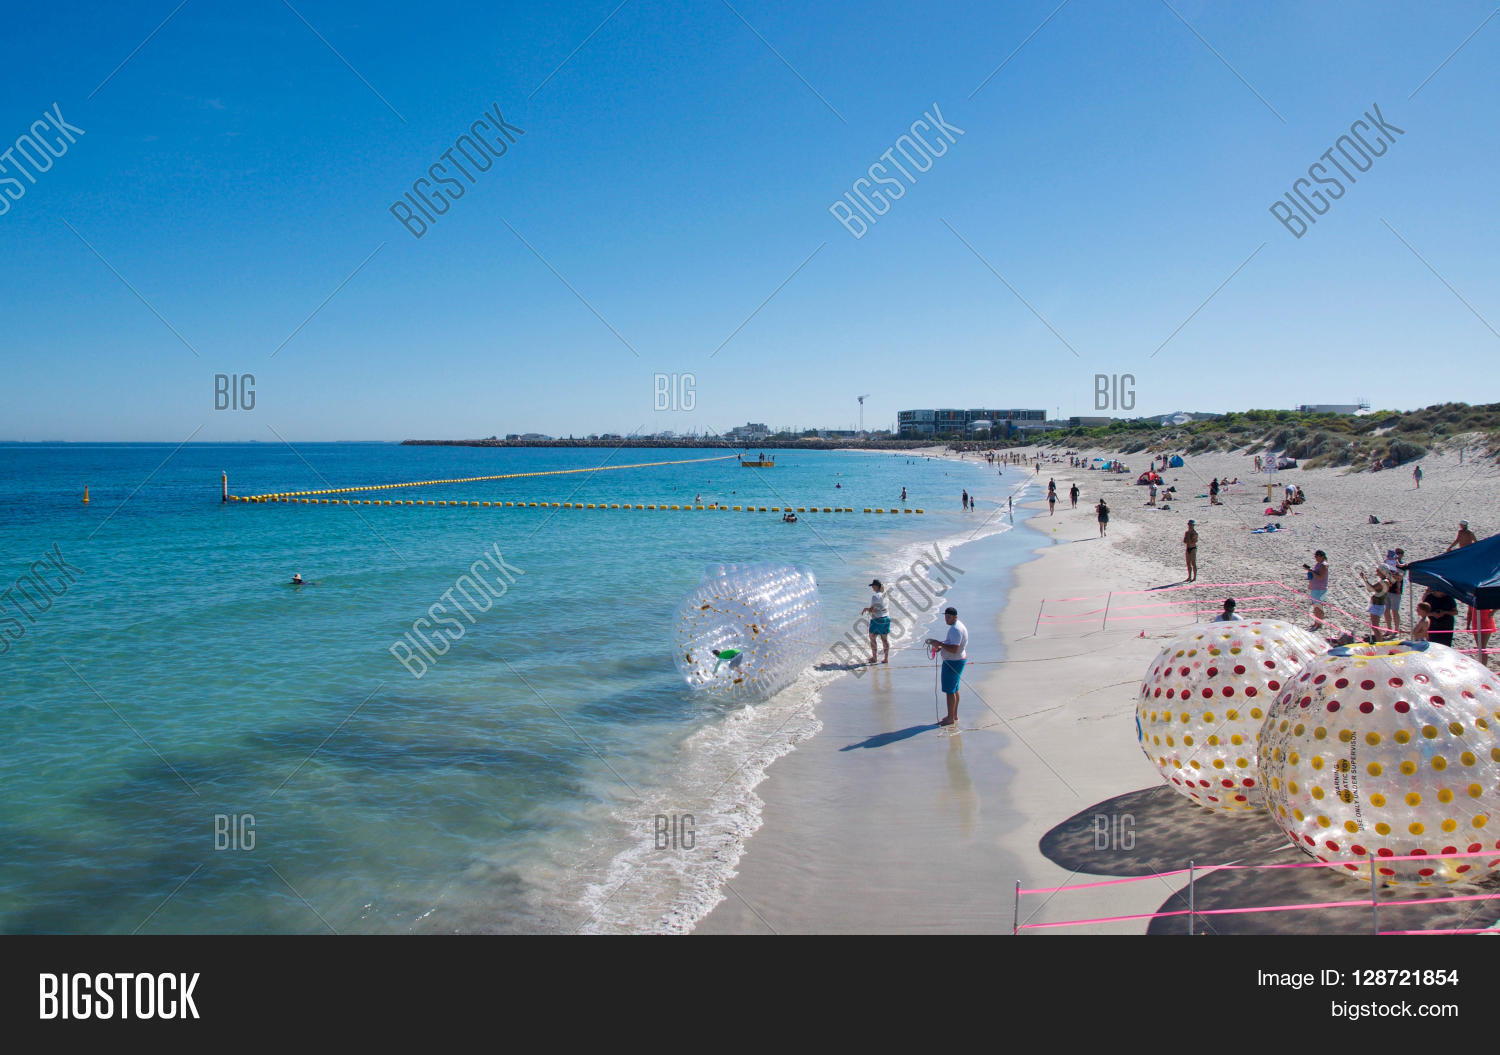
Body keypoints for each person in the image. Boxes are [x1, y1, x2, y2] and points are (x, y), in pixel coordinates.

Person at [925, 606, 968, 727]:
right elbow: (952, 644)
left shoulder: (955, 629)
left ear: (955, 617)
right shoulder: (957, 626)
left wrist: (939, 644)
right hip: (958, 659)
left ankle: (950, 718)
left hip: (953, 661)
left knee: (950, 691)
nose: (947, 618)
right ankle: (953, 715)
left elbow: (954, 649)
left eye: (949, 616)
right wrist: (941, 646)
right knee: (955, 689)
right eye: (945, 616)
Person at [863, 579, 891, 664]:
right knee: (884, 640)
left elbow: (873, 610)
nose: (872, 588)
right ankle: (886, 659)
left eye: (872, 586)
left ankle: (874, 658)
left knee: (872, 638)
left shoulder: (875, 596)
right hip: (886, 618)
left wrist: (866, 609)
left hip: (877, 619)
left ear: (876, 586)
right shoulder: (885, 595)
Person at [1357, 567, 1389, 640]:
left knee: (1375, 626)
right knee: (1374, 626)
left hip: (1378, 605)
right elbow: (1370, 589)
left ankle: (1380, 642)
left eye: (1378, 571)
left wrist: (1365, 579)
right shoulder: (1384, 581)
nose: (1377, 572)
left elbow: (1371, 589)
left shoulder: (1384, 582)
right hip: (1377, 604)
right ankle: (1379, 640)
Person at [1304, 550, 1329, 626]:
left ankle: (1319, 623)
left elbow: (1320, 577)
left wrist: (1311, 570)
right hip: (1315, 588)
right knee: (1315, 607)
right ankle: (1316, 622)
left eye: (1316, 556)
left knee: (1319, 607)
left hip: (1320, 589)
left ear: (1321, 556)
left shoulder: (1324, 565)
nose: (1315, 558)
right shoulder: (1318, 564)